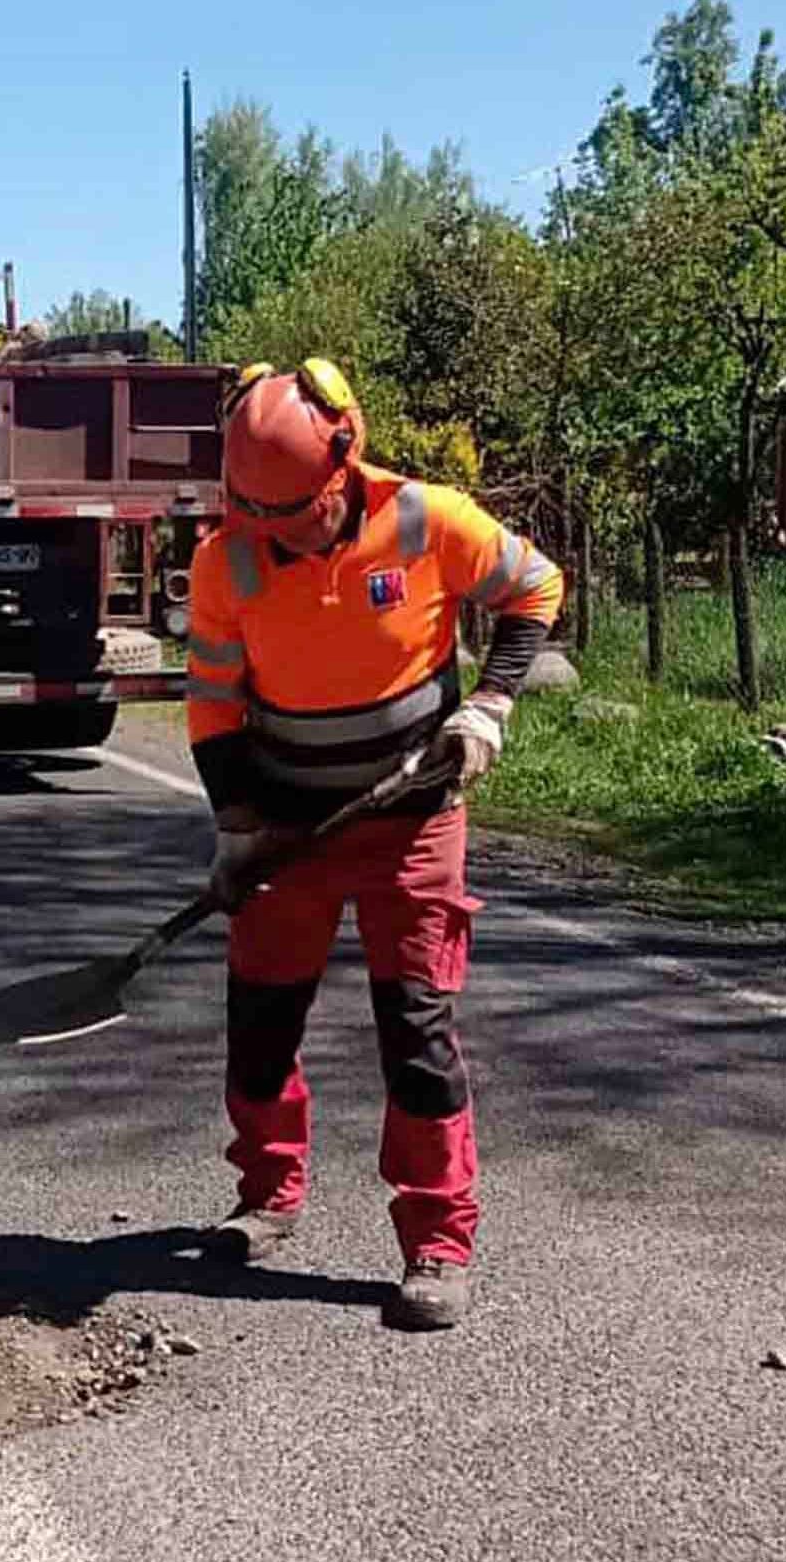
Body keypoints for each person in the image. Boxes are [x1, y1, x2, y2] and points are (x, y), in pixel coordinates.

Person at [183, 359, 564, 1332]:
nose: (281, 535)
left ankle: (437, 1239)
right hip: (286, 829)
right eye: (259, 515)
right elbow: (216, 710)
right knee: (259, 1023)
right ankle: (266, 1196)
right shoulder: (225, 561)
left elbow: (534, 588)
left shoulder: (427, 518)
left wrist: (488, 706)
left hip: (410, 819)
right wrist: (236, 832)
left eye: (297, 512)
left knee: (416, 1029)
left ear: (345, 461)